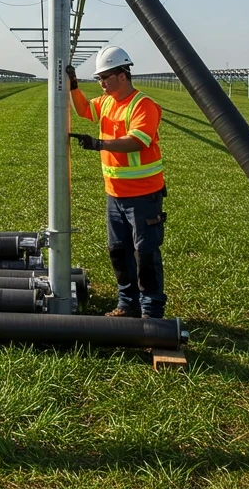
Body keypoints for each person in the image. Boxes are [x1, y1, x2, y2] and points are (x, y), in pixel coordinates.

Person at [67, 46, 168, 319]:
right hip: (115, 195)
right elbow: (84, 110)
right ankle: (127, 305)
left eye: (104, 77)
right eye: (98, 78)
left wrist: (99, 144)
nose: (100, 83)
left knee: (145, 254)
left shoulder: (142, 105)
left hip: (144, 197)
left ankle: (151, 312)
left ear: (123, 75)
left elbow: (137, 141)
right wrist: (73, 85)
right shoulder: (107, 102)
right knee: (119, 252)